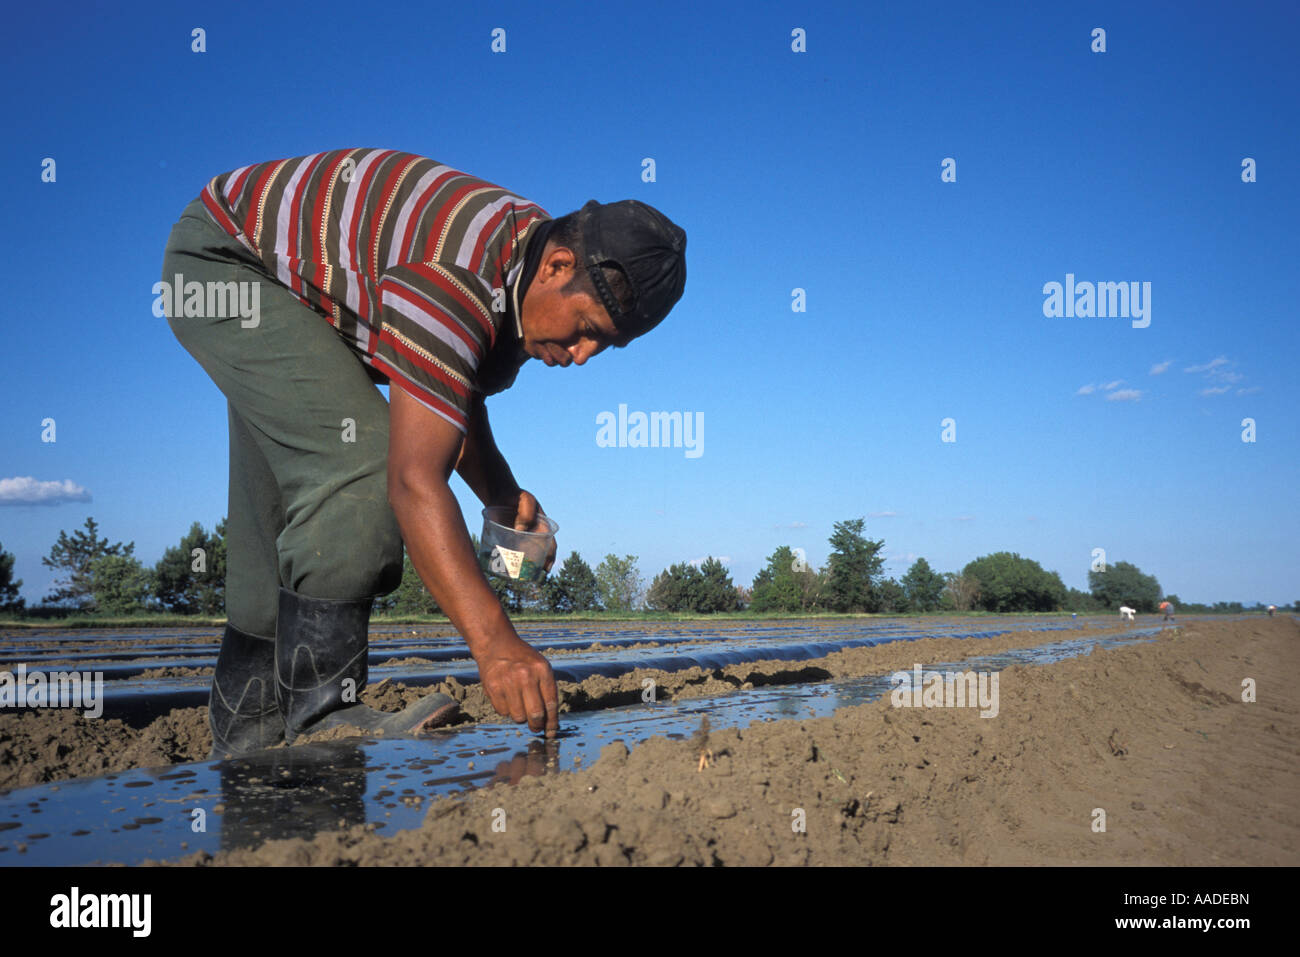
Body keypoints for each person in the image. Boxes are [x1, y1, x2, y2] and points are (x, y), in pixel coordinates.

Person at [160, 148, 687, 757]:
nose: (584, 355)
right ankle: (323, 713)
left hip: (283, 284)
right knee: (357, 464)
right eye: (587, 328)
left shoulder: (521, 264)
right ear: (557, 266)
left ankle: (248, 738)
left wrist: (498, 494)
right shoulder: (462, 273)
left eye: (606, 346)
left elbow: (450, 393)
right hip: (226, 264)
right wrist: (495, 643)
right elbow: (414, 480)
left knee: (273, 509)